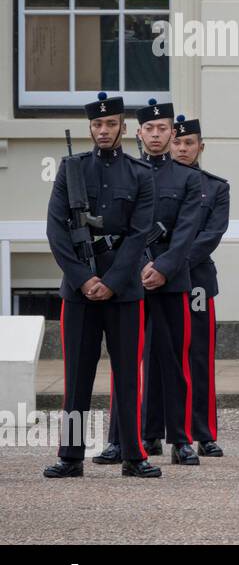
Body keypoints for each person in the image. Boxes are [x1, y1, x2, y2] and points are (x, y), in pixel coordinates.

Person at [44, 92, 161, 479]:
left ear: (123, 128)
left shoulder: (140, 174)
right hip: (79, 291)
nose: (104, 130)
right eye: (98, 124)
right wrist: (84, 278)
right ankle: (71, 456)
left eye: (111, 124)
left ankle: (133, 454)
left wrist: (110, 281)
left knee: (128, 375)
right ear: (90, 128)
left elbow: (139, 233)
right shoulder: (70, 169)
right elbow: (57, 231)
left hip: (124, 290)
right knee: (77, 376)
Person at [112, 99, 204, 466]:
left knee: (173, 360)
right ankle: (120, 439)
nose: (156, 135)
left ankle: (180, 439)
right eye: (149, 129)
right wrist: (136, 268)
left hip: (172, 280)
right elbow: (121, 227)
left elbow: (187, 229)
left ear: (172, 132)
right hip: (131, 280)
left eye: (162, 128)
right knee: (126, 362)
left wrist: (163, 266)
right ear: (139, 133)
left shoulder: (188, 177)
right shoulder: (128, 173)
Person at [171, 115, 230, 458]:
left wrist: (172, 263)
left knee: (199, 356)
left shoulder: (216, 187)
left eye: (188, 143)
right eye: (177, 142)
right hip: (154, 280)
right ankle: (153, 431)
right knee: (155, 355)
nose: (182, 148)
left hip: (195, 281)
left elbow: (211, 234)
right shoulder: (149, 180)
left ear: (200, 147)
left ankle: (203, 432)